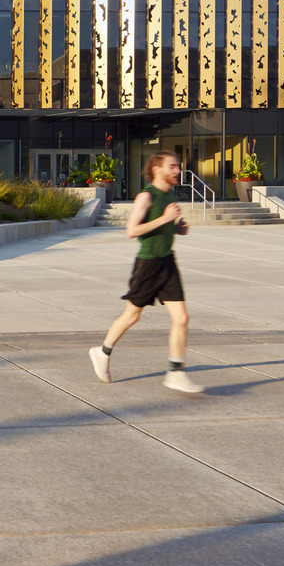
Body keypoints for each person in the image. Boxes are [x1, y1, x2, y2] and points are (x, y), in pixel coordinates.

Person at [89, 151, 204, 394]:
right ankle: (102, 351)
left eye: (178, 166)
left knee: (182, 318)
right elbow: (132, 231)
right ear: (156, 170)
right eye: (172, 166)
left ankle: (175, 373)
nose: (177, 170)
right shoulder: (146, 197)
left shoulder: (169, 195)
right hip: (148, 265)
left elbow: (163, 226)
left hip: (167, 261)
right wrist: (165, 219)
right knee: (132, 316)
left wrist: (176, 228)